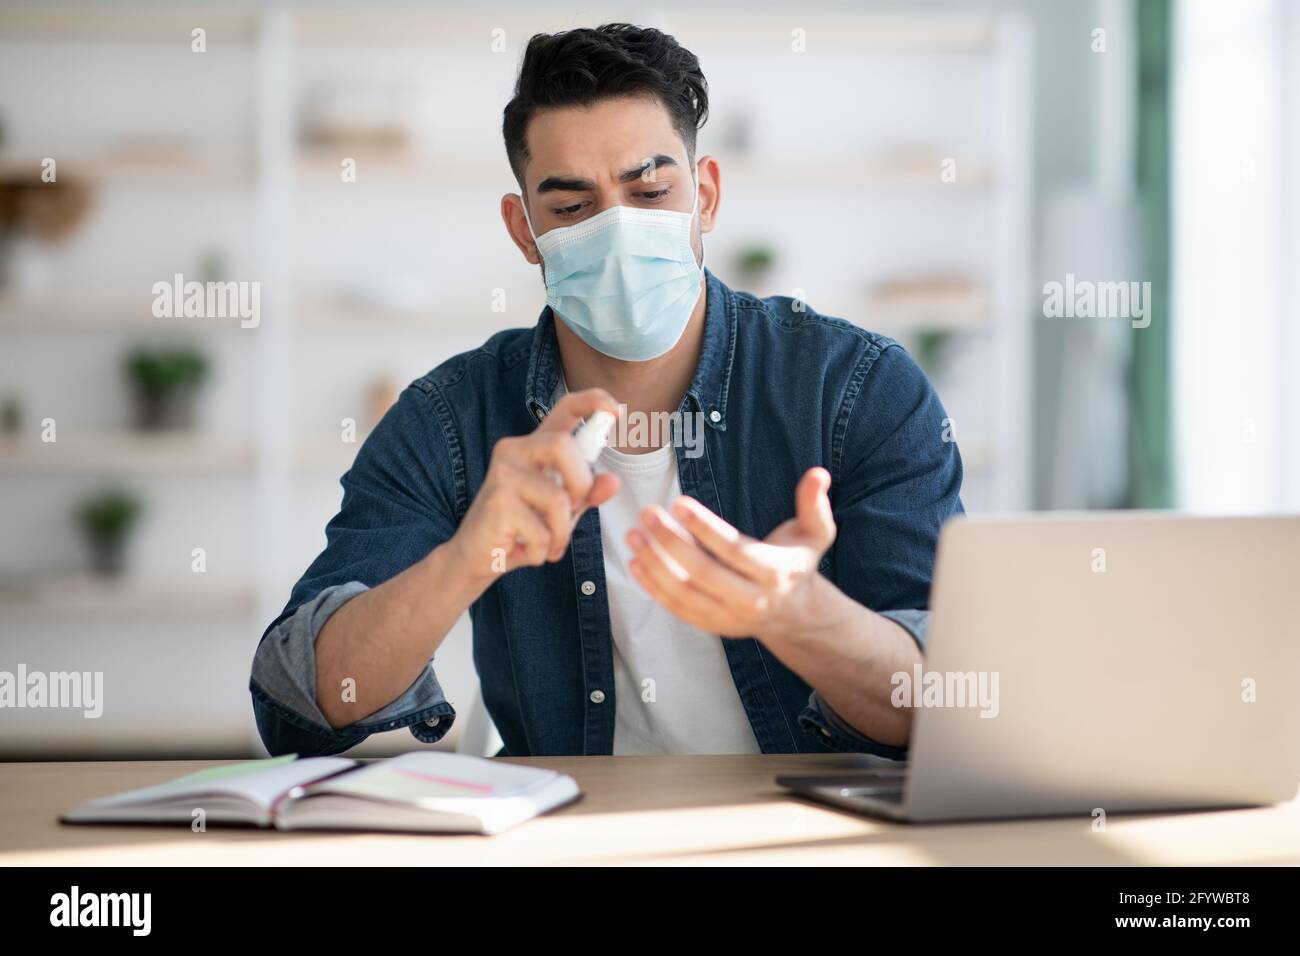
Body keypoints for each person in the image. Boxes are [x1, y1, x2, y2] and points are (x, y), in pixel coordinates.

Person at [250, 23, 963, 758]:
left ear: (706, 196)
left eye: (651, 190)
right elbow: (302, 705)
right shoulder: (451, 420)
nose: (619, 234)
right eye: (570, 209)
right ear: (524, 231)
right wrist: (466, 559)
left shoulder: (857, 390)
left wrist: (798, 613)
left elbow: (945, 708)